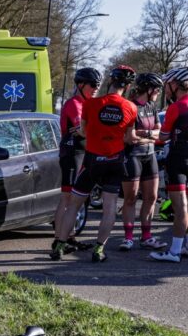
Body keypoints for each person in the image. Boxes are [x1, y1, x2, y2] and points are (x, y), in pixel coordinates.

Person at [52, 65, 138, 263]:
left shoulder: (91, 104)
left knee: (74, 204)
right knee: (109, 207)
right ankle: (99, 249)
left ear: (110, 81)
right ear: (126, 87)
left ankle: (59, 245)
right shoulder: (131, 108)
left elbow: (83, 131)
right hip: (114, 161)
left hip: (91, 160)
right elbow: (129, 137)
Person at [52, 67, 101, 254]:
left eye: (98, 85)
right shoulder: (73, 103)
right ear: (80, 85)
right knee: (67, 198)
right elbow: (83, 129)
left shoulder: (89, 103)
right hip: (72, 154)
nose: (96, 88)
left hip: (83, 152)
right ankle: (59, 239)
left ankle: (69, 237)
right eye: (93, 85)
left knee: (77, 200)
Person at [119, 73, 167, 251]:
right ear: (147, 89)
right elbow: (128, 138)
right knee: (130, 198)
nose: (158, 92)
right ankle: (128, 238)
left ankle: (146, 237)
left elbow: (159, 132)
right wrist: (150, 135)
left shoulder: (152, 106)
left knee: (152, 197)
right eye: (156, 89)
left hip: (150, 155)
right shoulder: (131, 106)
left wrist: (143, 134)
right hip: (132, 156)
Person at [147, 66, 188, 262]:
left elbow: (162, 137)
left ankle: (174, 252)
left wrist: (146, 134)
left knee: (180, 208)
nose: (166, 87)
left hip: (178, 160)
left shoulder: (176, 107)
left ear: (177, 85)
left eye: (168, 84)